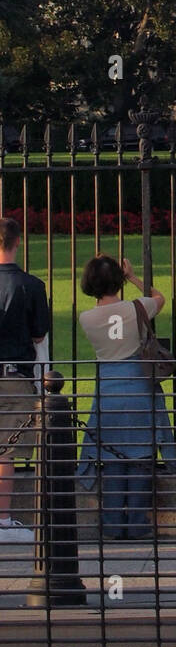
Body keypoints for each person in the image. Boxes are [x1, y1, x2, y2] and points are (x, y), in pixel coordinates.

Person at [77, 255, 172, 540]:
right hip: (140, 385)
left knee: (113, 458)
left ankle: (114, 523)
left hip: (108, 389)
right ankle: (138, 523)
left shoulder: (86, 318)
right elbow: (159, 297)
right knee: (141, 455)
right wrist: (133, 277)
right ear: (118, 280)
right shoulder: (138, 307)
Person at [0, 217, 49, 544]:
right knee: (5, 451)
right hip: (14, 375)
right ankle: (3, 520)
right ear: (18, 241)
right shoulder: (31, 285)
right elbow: (38, 333)